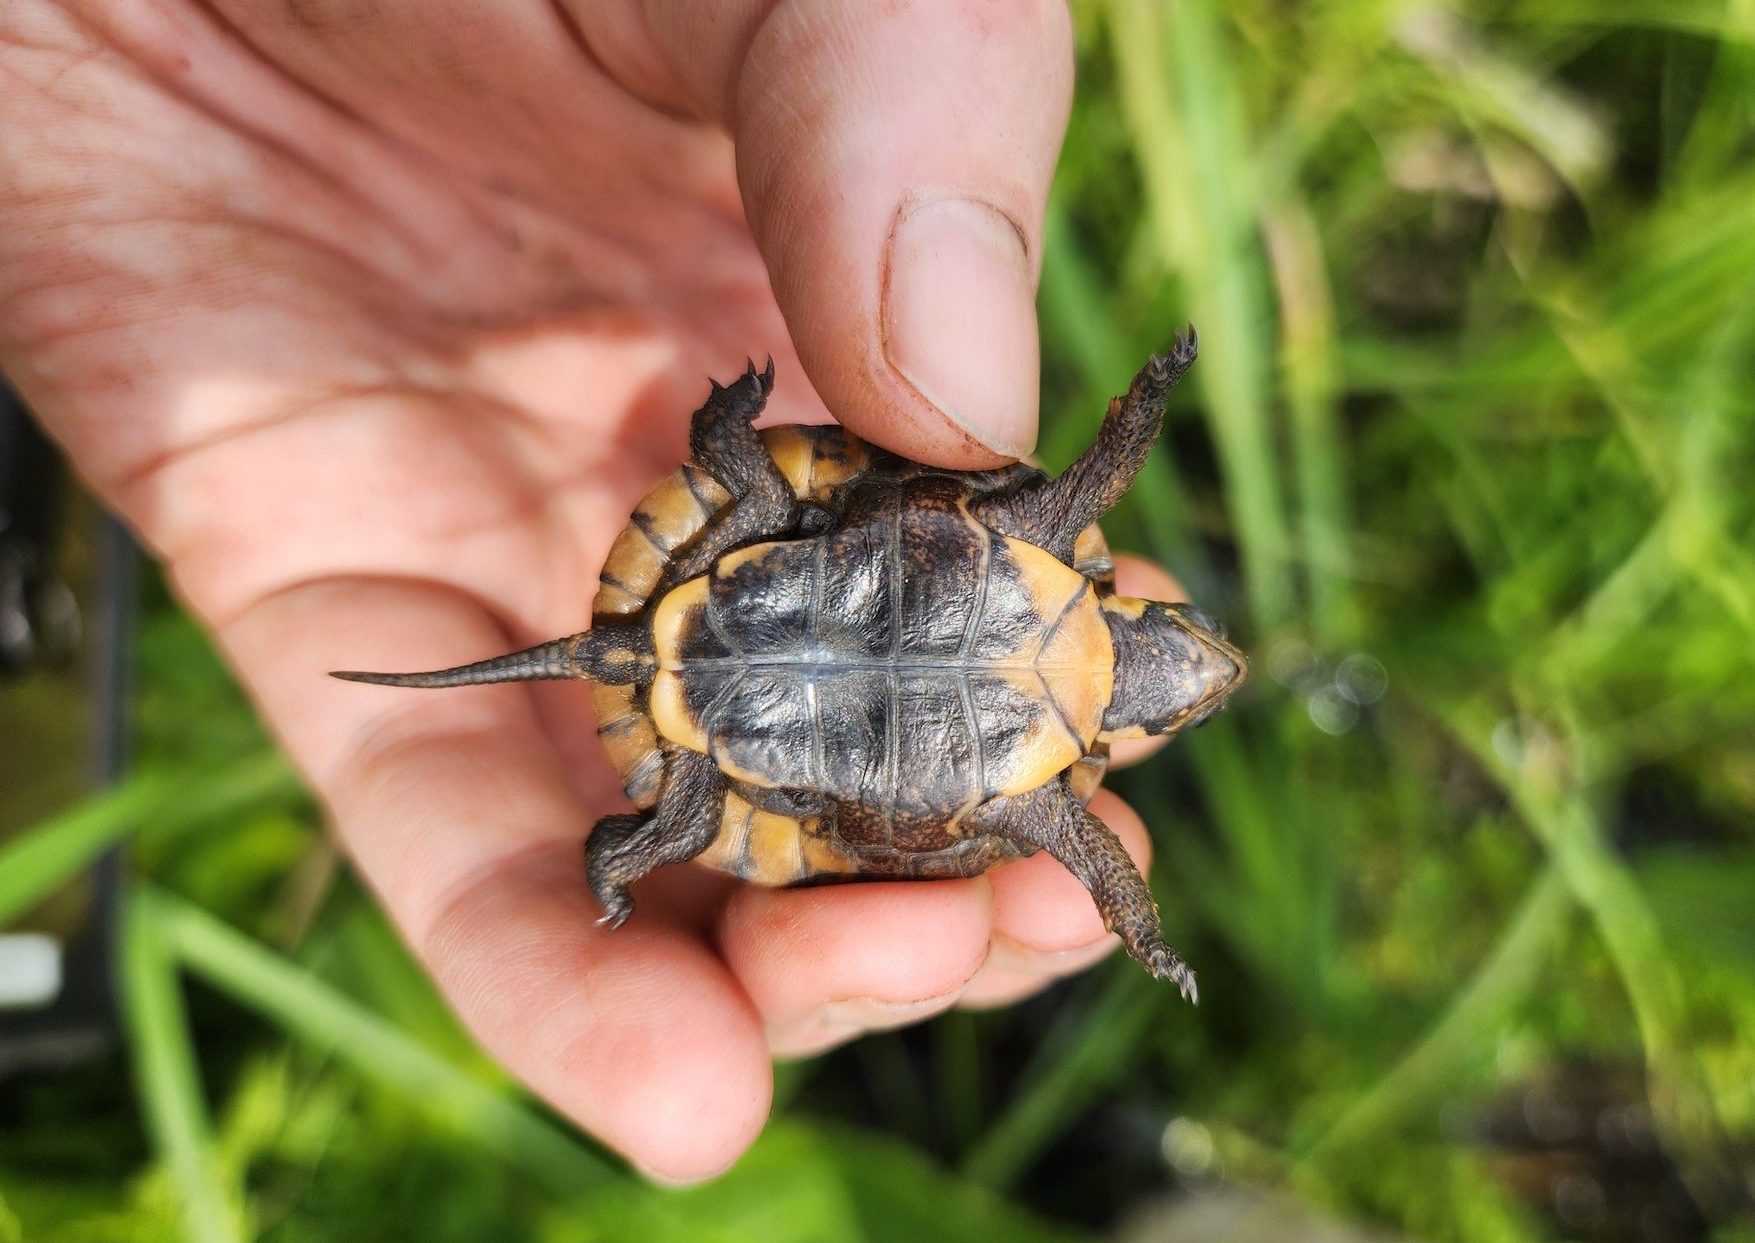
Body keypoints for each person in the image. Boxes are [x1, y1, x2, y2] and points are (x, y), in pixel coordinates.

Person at [1, 0, 1184, 1181]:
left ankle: (626, 853)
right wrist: (1144, 937)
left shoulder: (1044, 705)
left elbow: (1094, 490)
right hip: (721, 729)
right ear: (1129, 632)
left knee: (755, 515)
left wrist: (1145, 393)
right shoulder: (1044, 783)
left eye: (1178, 659)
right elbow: (1098, 858)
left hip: (732, 589)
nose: (1187, 653)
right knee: (723, 772)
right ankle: (620, 860)